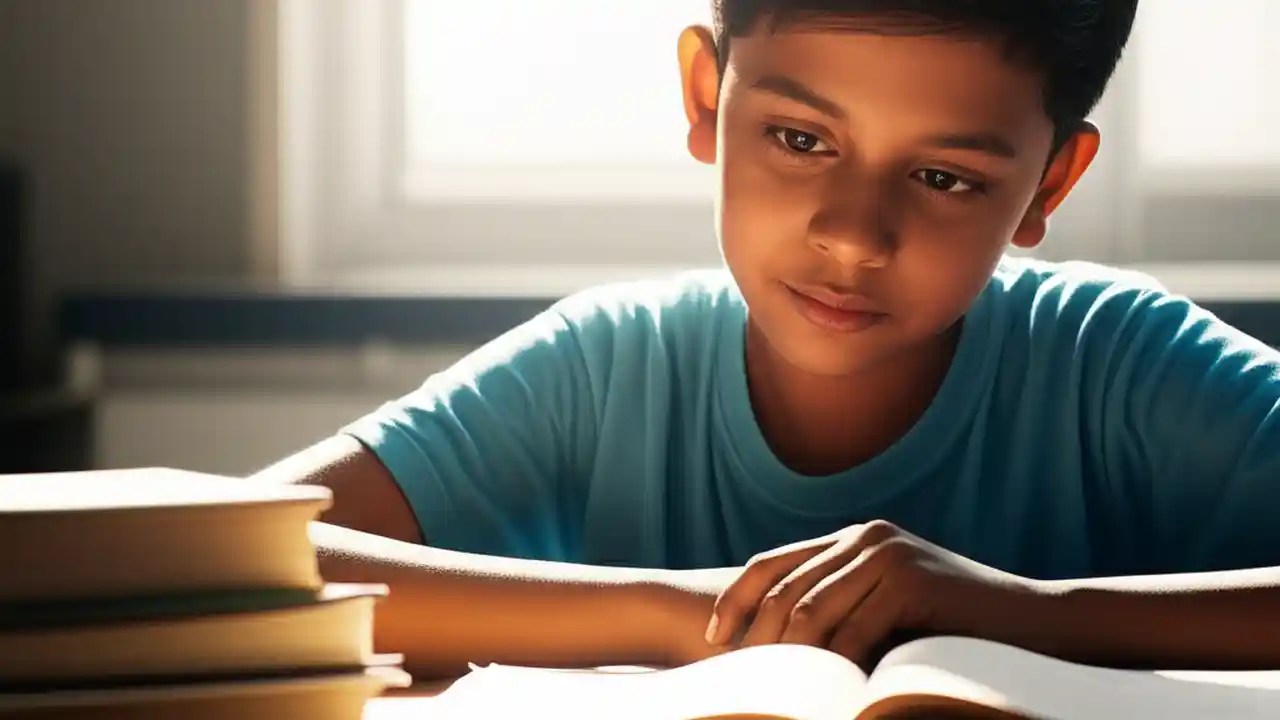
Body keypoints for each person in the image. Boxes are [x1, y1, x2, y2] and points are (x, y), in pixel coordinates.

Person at [254, 0, 1280, 679]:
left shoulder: (1113, 364)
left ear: (1048, 182)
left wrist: (1013, 614)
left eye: (943, 178)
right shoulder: (610, 370)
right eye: (800, 139)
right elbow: (218, 553)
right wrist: (682, 613)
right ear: (707, 97)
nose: (853, 236)